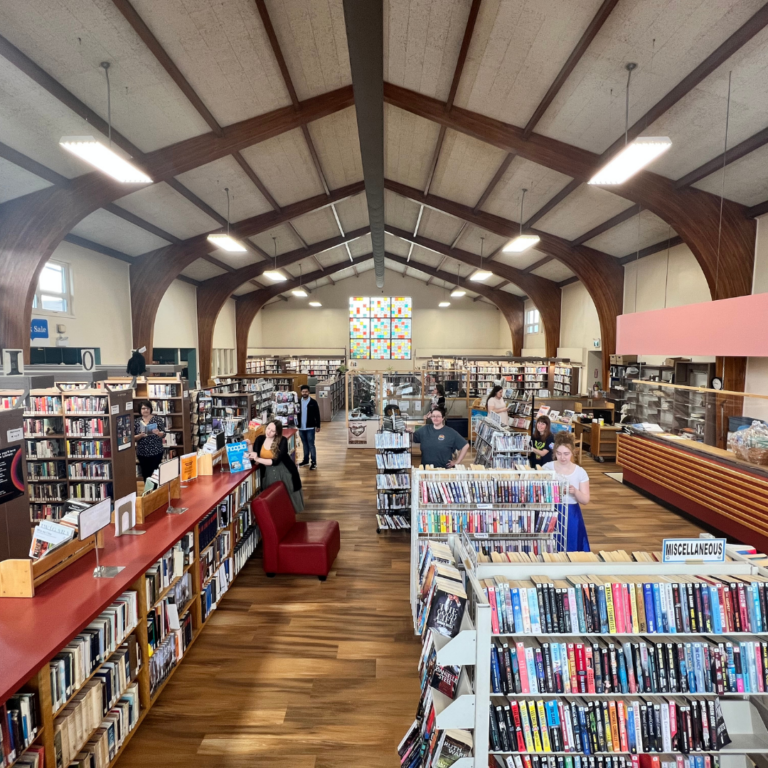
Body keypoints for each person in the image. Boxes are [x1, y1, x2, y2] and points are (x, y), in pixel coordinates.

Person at [543, 432, 590, 552]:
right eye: (558, 454)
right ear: (554, 453)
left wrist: (575, 491)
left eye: (566, 454)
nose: (562, 457)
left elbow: (585, 500)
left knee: (572, 544)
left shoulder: (580, 472)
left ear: (572, 453)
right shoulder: (547, 468)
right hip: (550, 511)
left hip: (572, 514)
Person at [248, 420, 304, 513]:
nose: (269, 432)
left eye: (272, 431)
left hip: (284, 471)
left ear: (277, 432)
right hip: (268, 473)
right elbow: (254, 459)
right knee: (273, 498)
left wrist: (257, 459)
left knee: (287, 495)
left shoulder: (283, 441)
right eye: (268, 428)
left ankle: (289, 518)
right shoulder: (260, 439)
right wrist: (249, 444)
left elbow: (275, 461)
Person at [134, 400, 166, 480]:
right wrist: (140, 435)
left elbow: (164, 434)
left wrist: (158, 433)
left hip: (156, 451)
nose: (146, 410)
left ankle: (156, 491)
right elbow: (133, 438)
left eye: (148, 408)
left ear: (150, 409)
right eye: (143, 408)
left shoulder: (158, 419)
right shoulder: (136, 421)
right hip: (142, 452)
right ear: (140, 410)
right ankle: (148, 491)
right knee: (146, 474)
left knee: (156, 474)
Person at [297, 384, 321, 470]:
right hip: (301, 428)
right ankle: (305, 460)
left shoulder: (313, 402)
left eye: (306, 392)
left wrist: (318, 425)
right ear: (301, 392)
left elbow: (317, 415)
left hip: (310, 427)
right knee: (304, 445)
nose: (304, 393)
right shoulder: (298, 402)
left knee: (311, 445)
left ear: (309, 392)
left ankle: (314, 462)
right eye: (303, 392)